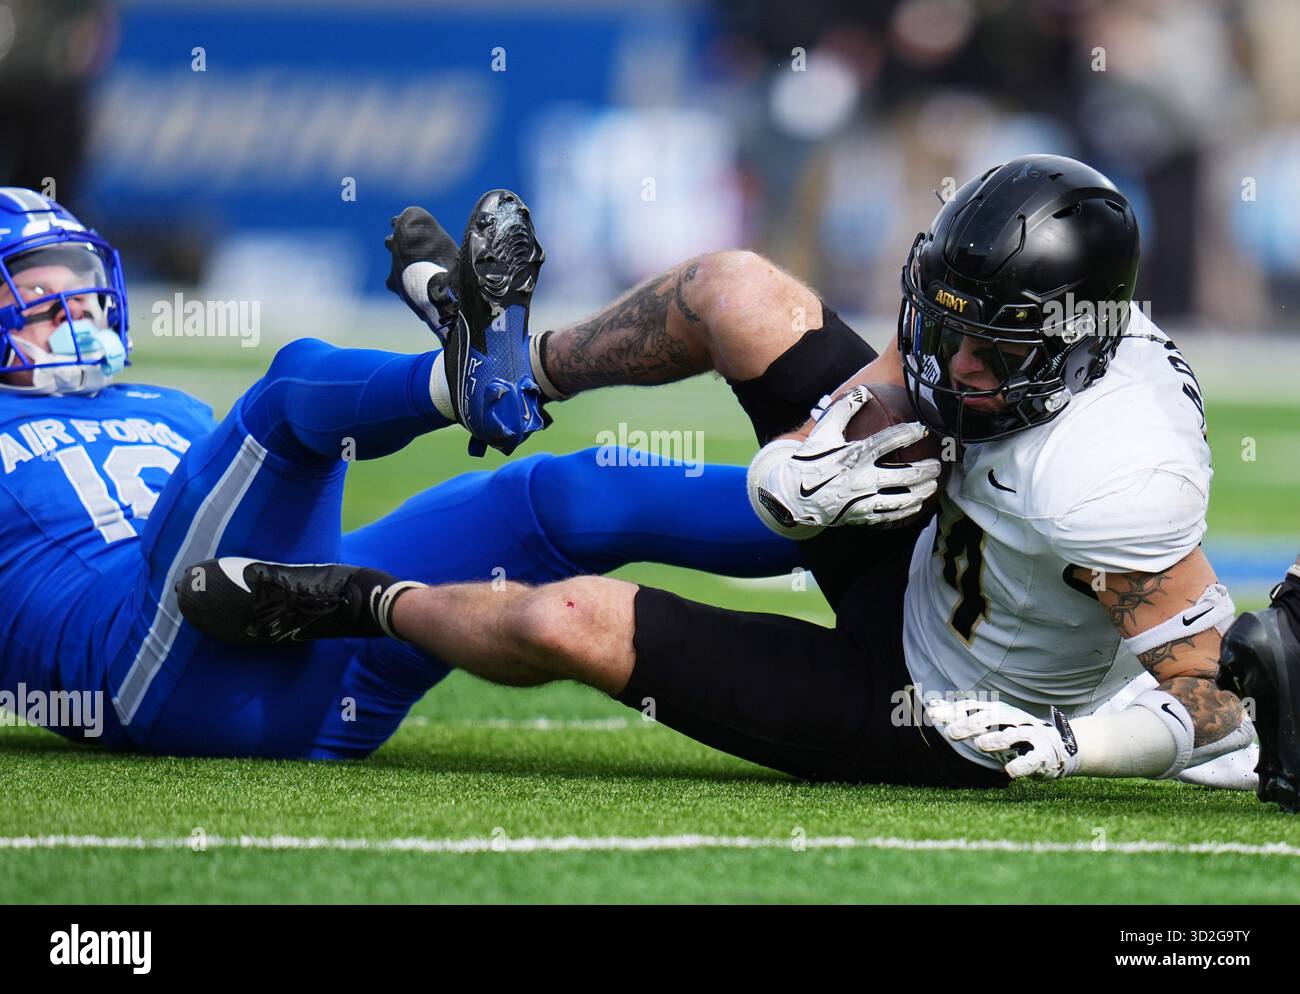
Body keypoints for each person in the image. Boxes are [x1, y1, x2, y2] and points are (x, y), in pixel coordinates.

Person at [183, 155, 1265, 795]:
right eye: (945, 322)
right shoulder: (1014, 336)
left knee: (568, 619)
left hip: (941, 699)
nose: (952, 362)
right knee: (734, 288)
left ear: (1069, 350)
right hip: (927, 523)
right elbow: (920, 362)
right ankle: (510, 378)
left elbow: (1211, 710)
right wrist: (829, 436)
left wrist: (1072, 745)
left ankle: (358, 605)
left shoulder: (1116, 470)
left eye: (991, 348)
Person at [0, 185, 800, 758]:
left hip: (307, 630)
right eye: (40, 293)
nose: (80, 307)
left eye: (83, 283)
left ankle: (846, 514)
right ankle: (474, 376)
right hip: (167, 673)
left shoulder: (164, 403)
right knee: (288, 391)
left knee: (563, 494)